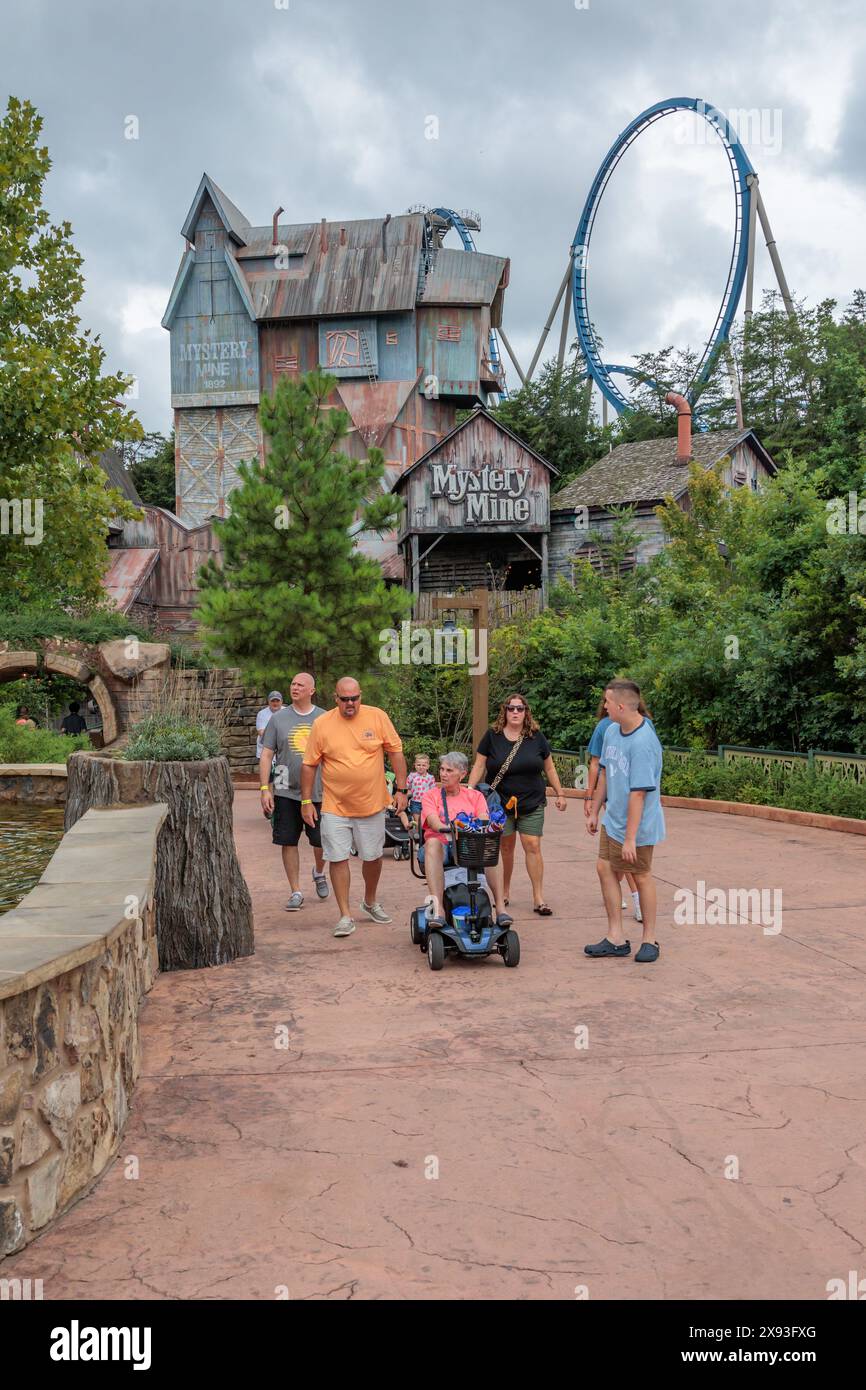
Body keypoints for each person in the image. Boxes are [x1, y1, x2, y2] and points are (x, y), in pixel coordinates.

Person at [300, 677, 408, 938]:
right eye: (345, 699)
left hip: (371, 804)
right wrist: (306, 802)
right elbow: (309, 765)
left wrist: (402, 790)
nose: (350, 703)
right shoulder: (322, 724)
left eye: (354, 698)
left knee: (372, 857)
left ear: (361, 696)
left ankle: (369, 901)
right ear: (335, 699)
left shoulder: (377, 717)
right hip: (334, 806)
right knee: (337, 857)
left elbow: (395, 752)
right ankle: (345, 915)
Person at [584, 679, 665, 963]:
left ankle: (650, 939)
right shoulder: (611, 731)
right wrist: (595, 810)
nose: (603, 707)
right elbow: (604, 773)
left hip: (638, 825)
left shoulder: (644, 742)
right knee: (604, 867)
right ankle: (615, 937)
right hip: (613, 820)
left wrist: (630, 838)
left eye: (607, 702)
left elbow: (639, 795)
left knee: (641, 875)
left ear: (620, 706)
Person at [469, 693, 567, 916]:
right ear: (504, 711)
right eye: (511, 708)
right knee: (505, 847)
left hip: (531, 800)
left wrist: (560, 793)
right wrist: (469, 790)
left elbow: (549, 768)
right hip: (500, 802)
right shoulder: (492, 736)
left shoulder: (536, 737)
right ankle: (504, 892)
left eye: (519, 709)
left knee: (532, 845)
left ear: (526, 712)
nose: (515, 712)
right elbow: (479, 765)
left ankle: (538, 897)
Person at [259, 673, 329, 911]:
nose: (295, 687)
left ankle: (319, 872)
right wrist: (265, 789)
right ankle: (296, 891)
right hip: (284, 787)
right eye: (292, 684)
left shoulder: (324, 718)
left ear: (312, 690)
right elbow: (267, 754)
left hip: (319, 790)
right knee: (287, 840)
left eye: (300, 684)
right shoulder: (278, 719)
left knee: (321, 841)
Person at [420, 751, 512, 927]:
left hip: (469, 843)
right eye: (442, 769)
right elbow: (433, 822)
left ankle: (500, 907)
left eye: (449, 770)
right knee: (432, 843)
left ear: (462, 774)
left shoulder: (475, 796)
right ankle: (439, 908)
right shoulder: (431, 795)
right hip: (443, 845)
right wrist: (451, 828)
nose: (443, 774)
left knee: (491, 845)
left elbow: (484, 818)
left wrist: (485, 824)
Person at [400, 752, 436, 831]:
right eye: (418, 765)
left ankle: (425, 836)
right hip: (415, 802)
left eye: (423, 765)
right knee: (417, 821)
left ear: (428, 766)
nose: (421, 767)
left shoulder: (430, 778)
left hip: (426, 803)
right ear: (415, 765)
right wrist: (406, 795)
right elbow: (407, 787)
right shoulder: (412, 776)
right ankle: (417, 838)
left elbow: (433, 791)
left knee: (426, 821)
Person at [255, 691, 283, 769]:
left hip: (282, 753)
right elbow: (262, 733)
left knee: (281, 778)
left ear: (282, 701)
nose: (275, 703)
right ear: (268, 702)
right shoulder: (262, 714)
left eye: (277, 701)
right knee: (267, 778)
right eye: (273, 701)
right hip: (265, 752)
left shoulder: (287, 712)